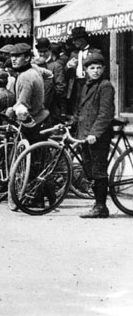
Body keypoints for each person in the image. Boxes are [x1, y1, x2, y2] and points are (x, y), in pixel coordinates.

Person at [75, 53, 116, 218]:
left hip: (97, 136)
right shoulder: (86, 86)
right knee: (89, 170)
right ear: (85, 70)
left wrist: (95, 134)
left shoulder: (105, 86)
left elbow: (105, 114)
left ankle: (101, 207)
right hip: (84, 135)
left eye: (99, 68)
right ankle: (97, 204)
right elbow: (83, 111)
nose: (96, 71)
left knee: (99, 171)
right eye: (92, 68)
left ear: (104, 69)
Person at [65, 26, 103, 116]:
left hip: (90, 83)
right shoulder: (73, 54)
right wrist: (68, 66)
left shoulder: (95, 52)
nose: (73, 42)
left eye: (75, 40)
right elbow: (66, 73)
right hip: (76, 85)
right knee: (76, 108)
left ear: (82, 39)